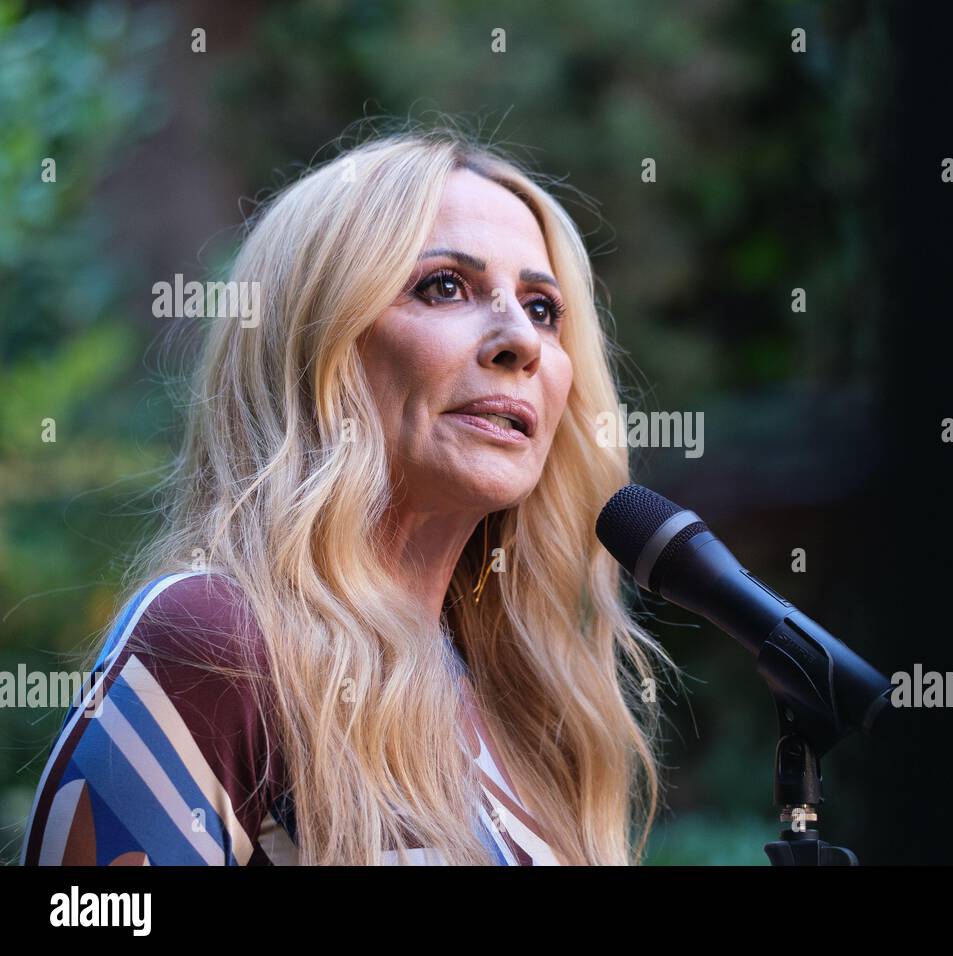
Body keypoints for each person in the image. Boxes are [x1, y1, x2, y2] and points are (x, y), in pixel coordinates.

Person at [22, 128, 678, 865]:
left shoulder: (532, 717)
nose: (519, 341)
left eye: (542, 308)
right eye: (444, 286)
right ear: (318, 344)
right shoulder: (219, 642)